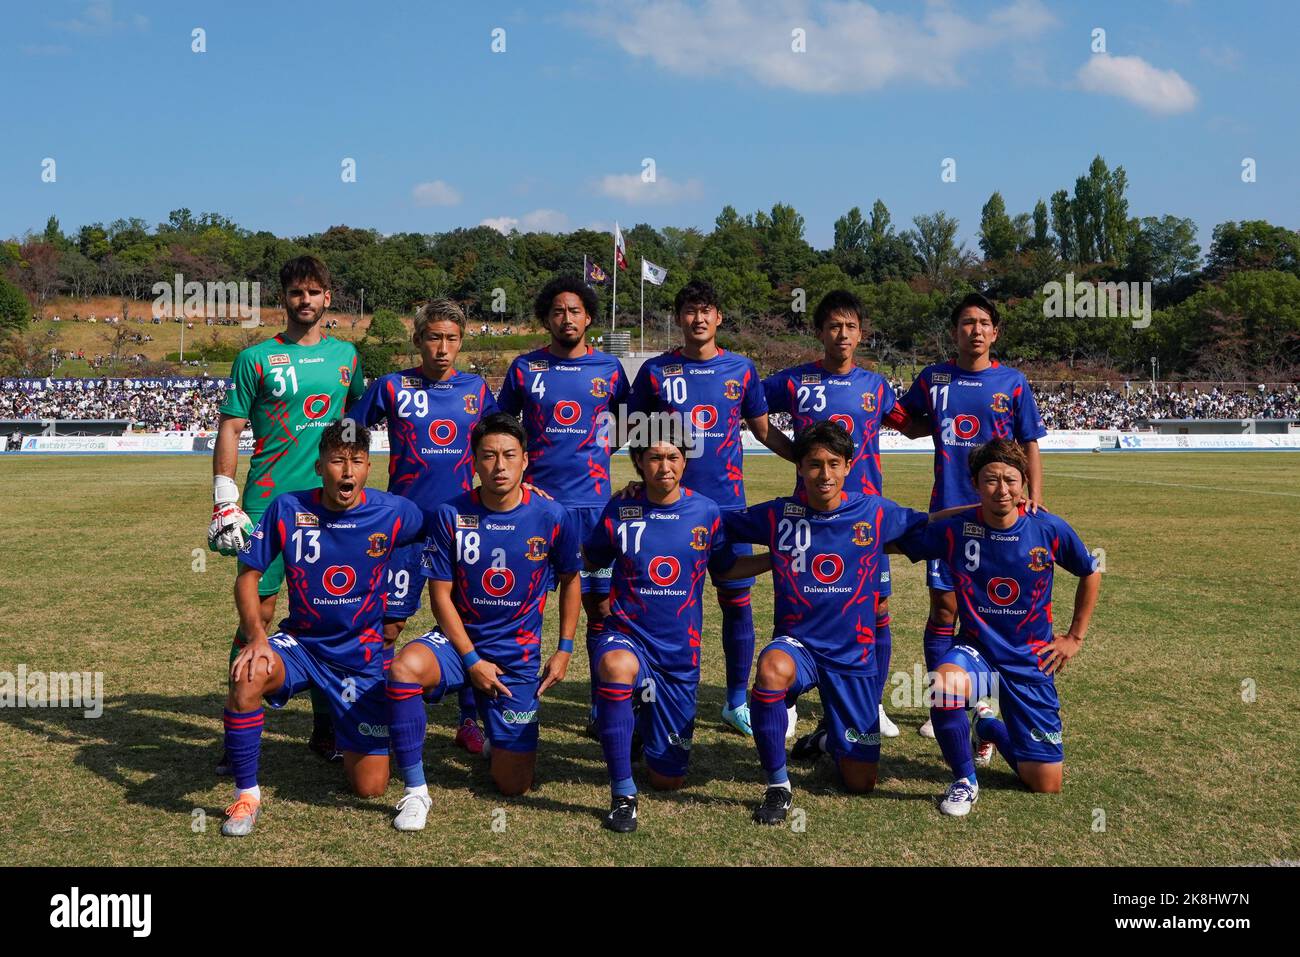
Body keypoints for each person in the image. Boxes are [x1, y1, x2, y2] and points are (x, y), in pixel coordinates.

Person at [724, 422, 951, 825]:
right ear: (799, 468)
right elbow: (711, 525)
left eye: (833, 463)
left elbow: (933, 524)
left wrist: (994, 508)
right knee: (771, 669)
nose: (823, 474)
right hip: (799, 646)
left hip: (853, 656)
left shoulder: (873, 511)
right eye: (813, 464)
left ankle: (829, 738)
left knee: (861, 782)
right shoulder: (780, 514)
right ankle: (778, 784)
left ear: (848, 466)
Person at [219, 420, 426, 837]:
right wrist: (257, 638)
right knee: (247, 673)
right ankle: (246, 795)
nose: (347, 472)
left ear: (370, 468)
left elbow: (439, 531)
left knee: (369, 788)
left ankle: (353, 735)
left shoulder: (395, 511)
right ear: (319, 467)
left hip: (360, 656)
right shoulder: (288, 507)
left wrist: (399, 608)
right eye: (337, 461)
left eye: (357, 462)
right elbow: (247, 576)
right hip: (301, 646)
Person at [385, 413, 581, 831]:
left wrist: (564, 649)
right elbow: (440, 596)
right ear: (473, 462)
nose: (500, 466)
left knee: (513, 785)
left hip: (518, 655)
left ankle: (499, 731)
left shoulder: (552, 515)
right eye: (488, 456)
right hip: (459, 646)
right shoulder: (450, 513)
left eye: (509, 455)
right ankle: (416, 792)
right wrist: (471, 659)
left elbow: (570, 580)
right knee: (403, 668)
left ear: (526, 460)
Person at [208, 256, 364, 773]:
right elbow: (230, 427)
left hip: (331, 504)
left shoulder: (348, 356)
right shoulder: (255, 358)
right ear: (285, 299)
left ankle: (326, 730)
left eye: (314, 292)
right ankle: (239, 725)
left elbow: (360, 419)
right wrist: (224, 496)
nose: (305, 300)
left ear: (328, 298)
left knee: (328, 613)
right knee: (259, 613)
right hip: (267, 502)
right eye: (296, 292)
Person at [898, 439, 1100, 815]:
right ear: (975, 484)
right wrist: (962, 510)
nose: (1002, 490)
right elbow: (901, 535)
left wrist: (1074, 637)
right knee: (943, 683)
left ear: (1024, 482)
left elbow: (1090, 571)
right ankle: (964, 779)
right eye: (990, 480)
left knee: (1045, 784)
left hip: (1031, 660)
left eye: (1010, 480)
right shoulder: (959, 529)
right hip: (978, 651)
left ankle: (988, 728)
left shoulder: (1048, 528)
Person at [583, 416, 765, 832]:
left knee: (668, 779)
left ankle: (642, 723)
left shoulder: (705, 511)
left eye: (673, 457)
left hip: (679, 654)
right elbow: (591, 557)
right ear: (639, 463)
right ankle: (622, 792)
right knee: (614, 667)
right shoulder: (622, 506)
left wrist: (777, 558)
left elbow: (728, 567)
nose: (664, 466)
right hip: (626, 635)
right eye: (654, 458)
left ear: (684, 463)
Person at [630, 279, 793, 737]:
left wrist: (807, 459)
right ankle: (653, 693)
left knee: (736, 602)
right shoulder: (656, 371)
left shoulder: (741, 369)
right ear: (678, 318)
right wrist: (637, 478)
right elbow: (633, 431)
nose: (697, 319)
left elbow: (764, 432)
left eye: (706, 311)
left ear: (718, 317)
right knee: (663, 603)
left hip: (728, 509)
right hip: (668, 510)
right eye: (689, 311)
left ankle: (735, 700)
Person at [764, 289, 916, 743]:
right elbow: (750, 410)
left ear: (861, 334)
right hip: (808, 515)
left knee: (876, 606)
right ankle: (784, 701)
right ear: (819, 332)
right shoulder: (793, 382)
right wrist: (794, 454)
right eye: (833, 326)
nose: (842, 334)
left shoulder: (876, 386)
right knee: (801, 601)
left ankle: (871, 702)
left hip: (864, 517)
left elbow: (910, 424)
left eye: (850, 326)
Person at [348, 298, 496, 754]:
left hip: (464, 527)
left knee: (471, 626)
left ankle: (470, 721)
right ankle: (379, 713)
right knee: (389, 626)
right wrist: (357, 491)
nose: (443, 347)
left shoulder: (478, 390)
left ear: (462, 342)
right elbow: (350, 432)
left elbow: (499, 448)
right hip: (406, 530)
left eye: (452, 338)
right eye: (434, 337)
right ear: (417, 340)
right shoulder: (392, 387)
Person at [897, 292, 1047, 738]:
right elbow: (907, 419)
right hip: (948, 512)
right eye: (966, 322)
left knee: (992, 609)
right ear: (954, 331)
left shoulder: (1013, 382)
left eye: (983, 322)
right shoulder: (935, 377)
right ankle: (944, 703)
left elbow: (1030, 443)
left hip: (1002, 516)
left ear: (995, 332)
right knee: (944, 609)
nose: (975, 329)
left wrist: (1034, 497)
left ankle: (984, 701)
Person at [496, 277, 629, 731]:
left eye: (574, 311)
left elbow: (633, 421)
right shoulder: (524, 368)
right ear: (547, 318)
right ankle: (509, 703)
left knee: (600, 607)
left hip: (591, 506)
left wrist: (600, 452)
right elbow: (500, 425)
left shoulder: (610, 368)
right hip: (535, 505)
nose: (566, 318)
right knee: (518, 602)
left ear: (588, 317)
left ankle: (600, 705)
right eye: (558, 311)